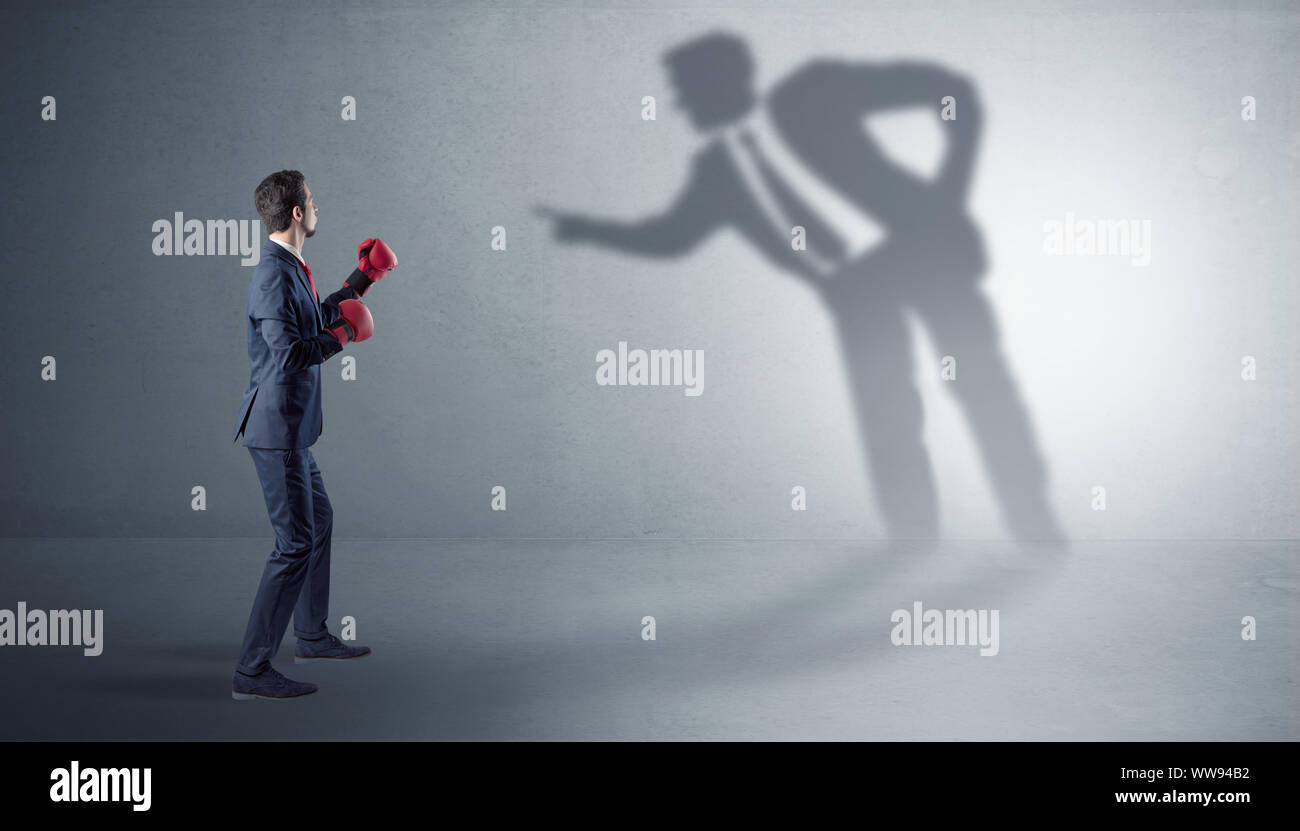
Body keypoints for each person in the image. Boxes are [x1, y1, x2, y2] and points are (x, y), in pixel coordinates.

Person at [537, 33, 1065, 543]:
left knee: (978, 382)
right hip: (858, 295)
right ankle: (913, 540)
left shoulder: (812, 92)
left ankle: (1031, 517)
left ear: (726, 79)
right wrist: (585, 229)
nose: (679, 104)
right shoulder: (715, 172)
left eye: (686, 87)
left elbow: (950, 92)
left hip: (928, 259)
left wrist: (947, 198)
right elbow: (670, 238)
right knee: (887, 413)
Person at [230, 169, 396, 700]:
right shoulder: (273, 276)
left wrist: (363, 278)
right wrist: (346, 333)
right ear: (297, 213)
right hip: (276, 430)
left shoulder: (292, 266)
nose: (318, 206)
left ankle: (311, 635)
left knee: (318, 521)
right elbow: (291, 355)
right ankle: (252, 670)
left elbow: (312, 319)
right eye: (312, 201)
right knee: (294, 543)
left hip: (293, 428)